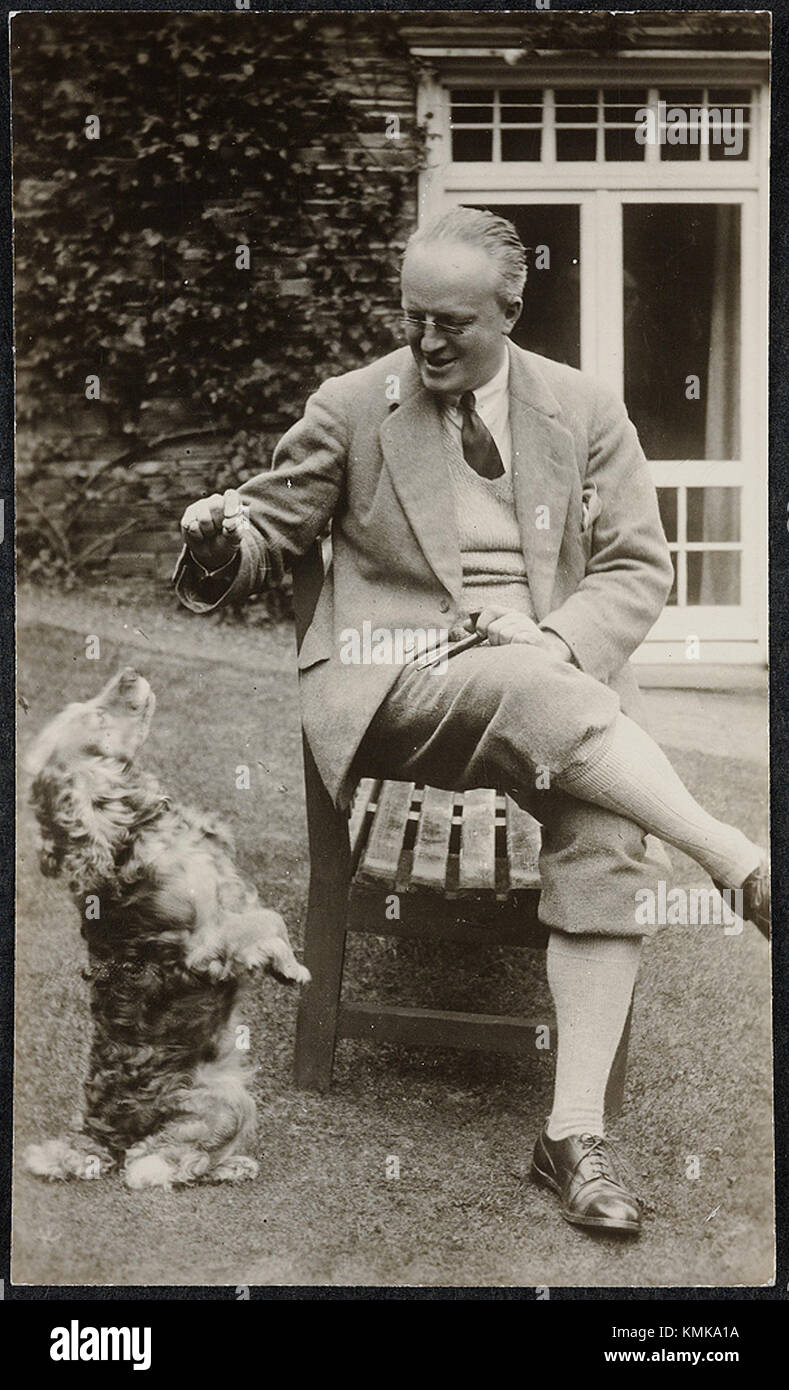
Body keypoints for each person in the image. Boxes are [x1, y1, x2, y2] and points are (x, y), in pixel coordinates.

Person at [174, 207, 768, 1237]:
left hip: (545, 678)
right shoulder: (352, 406)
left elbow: (636, 567)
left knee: (606, 822)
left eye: (453, 323)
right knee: (566, 703)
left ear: (512, 307)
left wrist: (553, 635)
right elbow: (262, 531)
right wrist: (219, 538)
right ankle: (736, 862)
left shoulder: (582, 407)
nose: (428, 343)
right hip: (396, 680)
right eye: (412, 320)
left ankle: (573, 1138)